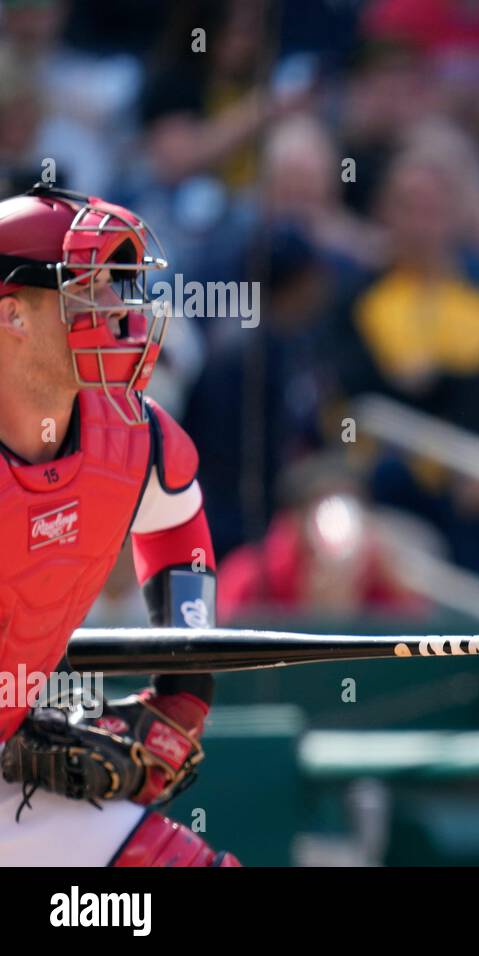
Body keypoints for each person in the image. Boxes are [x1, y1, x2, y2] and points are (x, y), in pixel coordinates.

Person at [0, 184, 237, 866]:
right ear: (12, 314)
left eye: (114, 286)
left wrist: (184, 692)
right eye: (87, 289)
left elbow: (178, 528)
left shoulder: (131, 436)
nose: (115, 310)